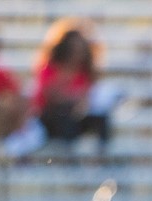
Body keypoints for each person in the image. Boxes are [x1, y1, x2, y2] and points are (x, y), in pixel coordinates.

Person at [33, 19, 110, 148]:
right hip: (49, 118)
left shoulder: (84, 72)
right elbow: (51, 96)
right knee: (65, 118)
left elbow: (84, 101)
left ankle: (102, 156)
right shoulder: (50, 68)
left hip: (73, 116)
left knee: (99, 119)